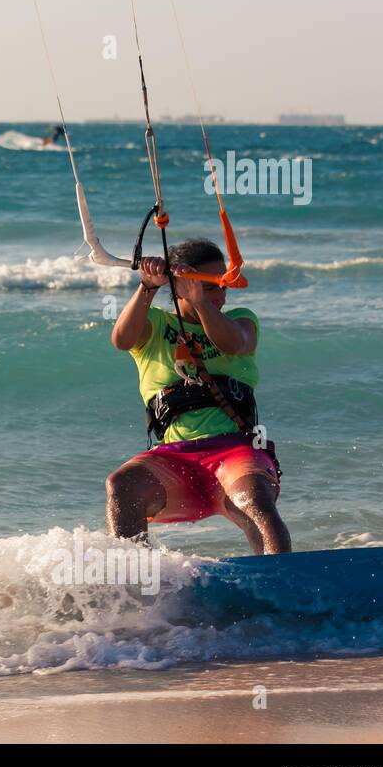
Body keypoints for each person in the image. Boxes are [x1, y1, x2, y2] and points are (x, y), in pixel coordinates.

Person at [106, 237, 291, 554]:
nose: (220, 295)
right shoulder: (154, 324)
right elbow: (121, 340)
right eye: (209, 288)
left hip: (235, 452)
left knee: (254, 500)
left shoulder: (241, 320)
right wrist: (148, 287)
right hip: (175, 461)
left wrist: (202, 302)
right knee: (121, 485)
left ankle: (281, 583)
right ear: (178, 288)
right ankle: (132, 586)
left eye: (222, 286)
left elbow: (232, 344)